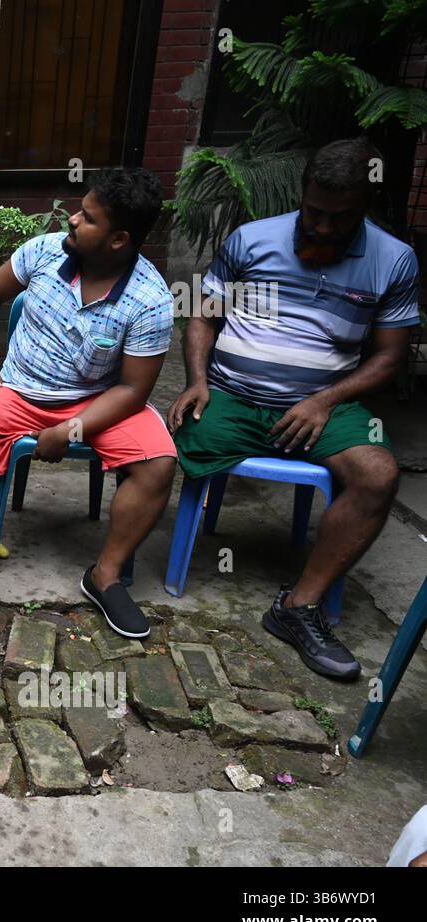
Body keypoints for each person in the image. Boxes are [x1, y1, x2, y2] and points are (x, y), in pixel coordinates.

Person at [168, 139, 417, 682]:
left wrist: (326, 400)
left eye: (340, 218)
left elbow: (391, 356)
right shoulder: (252, 240)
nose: (323, 228)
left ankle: (297, 607)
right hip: (231, 394)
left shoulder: (393, 259)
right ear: (303, 194)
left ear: (365, 206)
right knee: (163, 443)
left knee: (378, 475)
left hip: (325, 404)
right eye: (314, 213)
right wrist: (196, 381)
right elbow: (204, 318)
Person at [0, 167, 176, 640]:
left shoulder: (150, 300)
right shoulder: (41, 253)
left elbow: (133, 391)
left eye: (89, 217)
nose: (74, 220)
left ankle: (105, 575)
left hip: (98, 404)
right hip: (21, 393)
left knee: (159, 463)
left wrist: (72, 429)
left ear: (119, 238)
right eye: (81, 209)